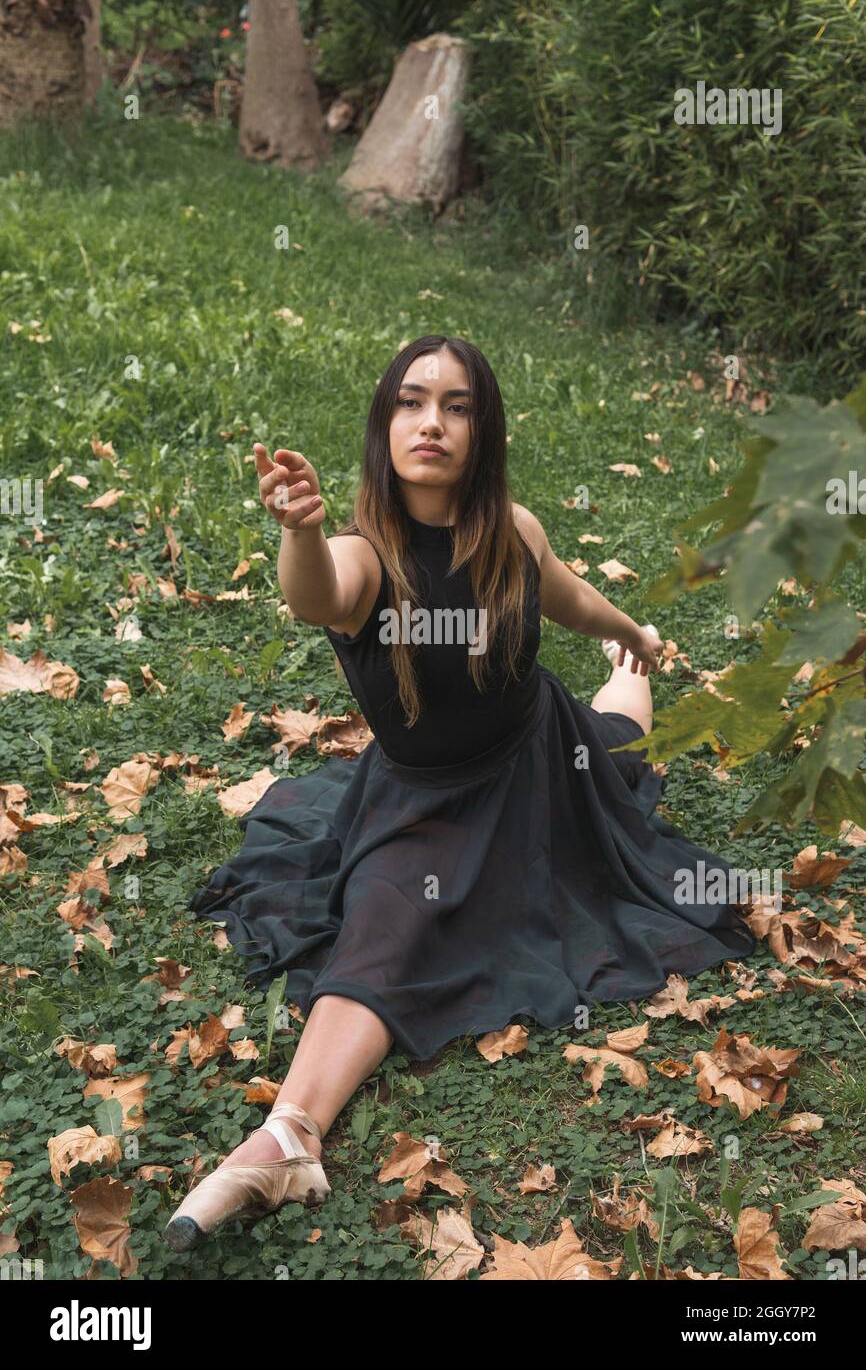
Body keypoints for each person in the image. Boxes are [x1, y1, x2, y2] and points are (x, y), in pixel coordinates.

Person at [163, 334, 758, 1252]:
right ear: (384, 425)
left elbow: (563, 595)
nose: (431, 421)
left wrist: (629, 628)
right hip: (427, 802)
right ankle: (288, 1136)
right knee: (382, 928)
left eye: (457, 405)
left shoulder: (513, 530)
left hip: (539, 761)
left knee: (621, 739)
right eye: (410, 402)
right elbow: (315, 597)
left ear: (483, 431)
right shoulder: (363, 559)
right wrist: (298, 528)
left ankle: (628, 676)